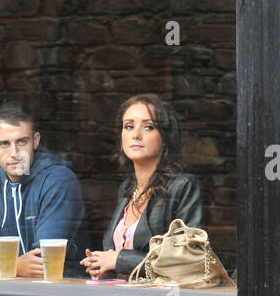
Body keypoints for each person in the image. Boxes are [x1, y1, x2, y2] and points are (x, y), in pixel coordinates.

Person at [82, 94, 204, 280]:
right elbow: (114, 256)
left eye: (148, 127)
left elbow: (190, 260)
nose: (136, 135)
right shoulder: (127, 189)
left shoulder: (183, 186)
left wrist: (118, 260)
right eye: (129, 126)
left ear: (165, 138)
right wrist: (100, 264)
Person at [0, 102, 87, 277]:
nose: (15, 152)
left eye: (22, 141)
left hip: (64, 288)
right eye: (4, 144)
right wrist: (14, 265)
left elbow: (43, 260)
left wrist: (5, 265)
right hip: (12, 289)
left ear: (35, 140)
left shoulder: (59, 180)